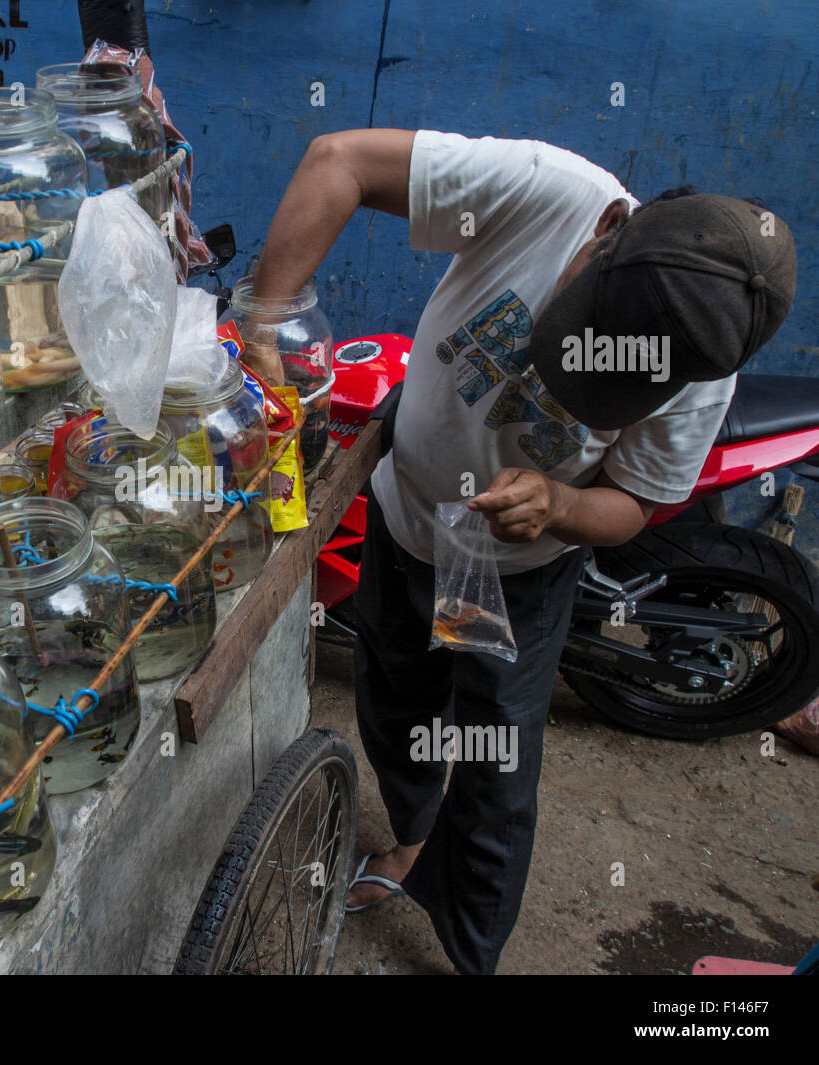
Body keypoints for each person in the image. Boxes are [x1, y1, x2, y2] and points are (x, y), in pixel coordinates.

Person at [249, 129, 796, 974]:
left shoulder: (701, 367)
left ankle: (472, 953)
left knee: (494, 767)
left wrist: (564, 503)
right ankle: (415, 845)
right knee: (394, 700)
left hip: (514, 577)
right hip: (405, 517)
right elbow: (337, 162)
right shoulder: (543, 190)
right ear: (610, 230)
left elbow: (639, 503)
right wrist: (267, 319)